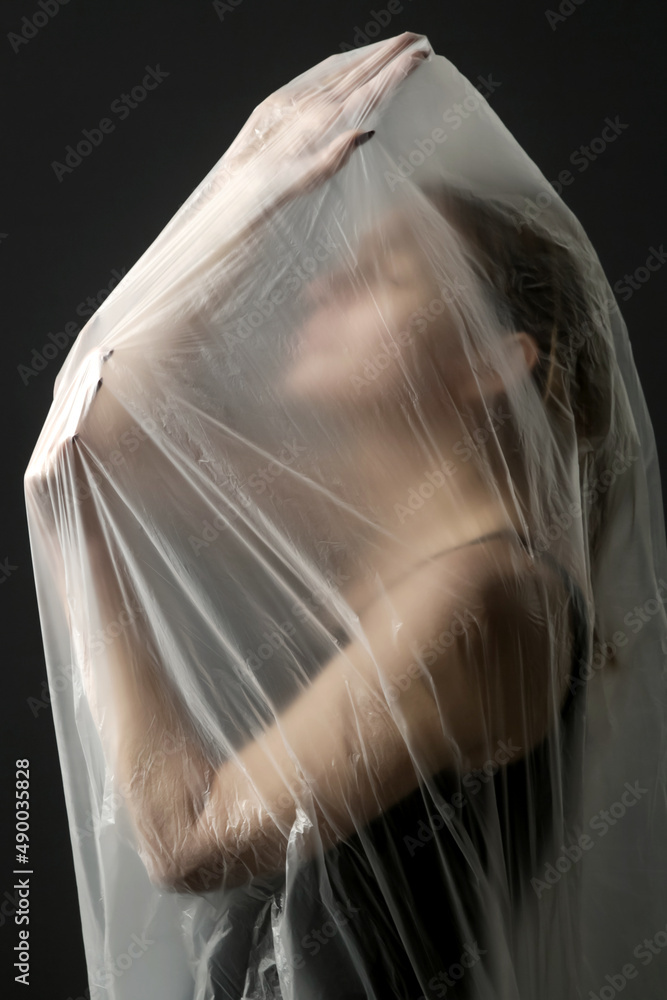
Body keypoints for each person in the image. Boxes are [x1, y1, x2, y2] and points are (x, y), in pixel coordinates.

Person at [25, 32, 667, 1000]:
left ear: (492, 360)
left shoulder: (488, 592)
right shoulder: (393, 544)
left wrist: (238, 197)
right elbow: (108, 440)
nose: (321, 283)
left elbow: (189, 837)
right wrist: (245, 186)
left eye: (381, 274)